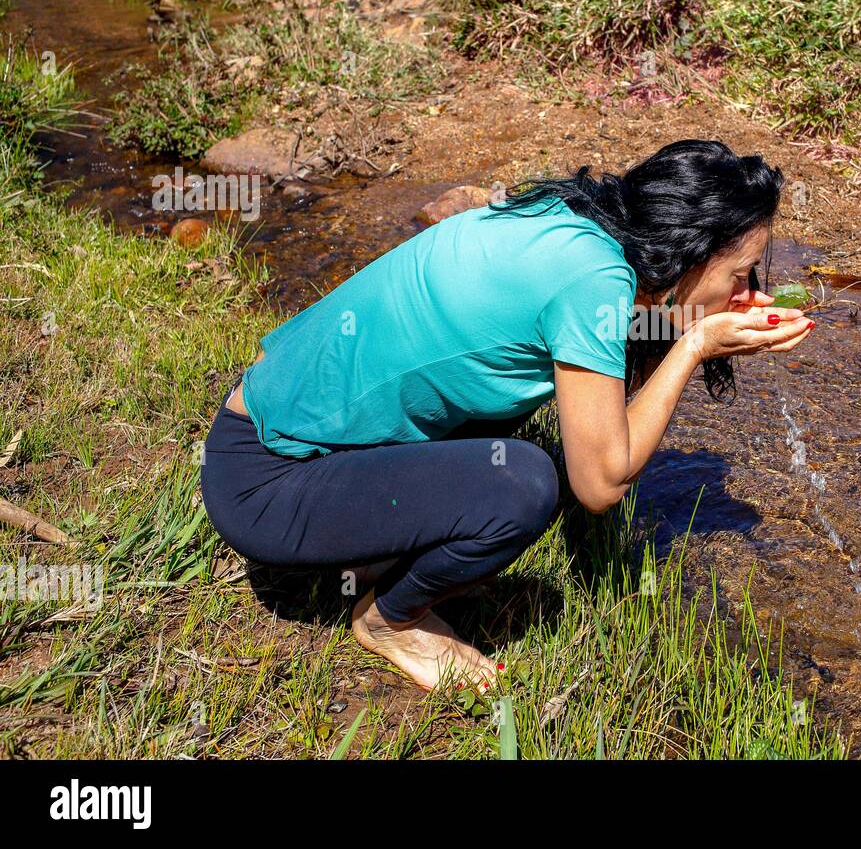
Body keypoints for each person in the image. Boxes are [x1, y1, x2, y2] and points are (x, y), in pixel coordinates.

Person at [198, 139, 814, 694]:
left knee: (515, 433)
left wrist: (690, 316)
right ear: (690, 250)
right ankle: (390, 617)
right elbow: (600, 486)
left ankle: (378, 548)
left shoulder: (574, 224)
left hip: (262, 431)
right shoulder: (593, 281)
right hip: (265, 487)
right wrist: (695, 344)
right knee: (523, 482)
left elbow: (614, 350)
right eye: (739, 273)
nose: (747, 287)